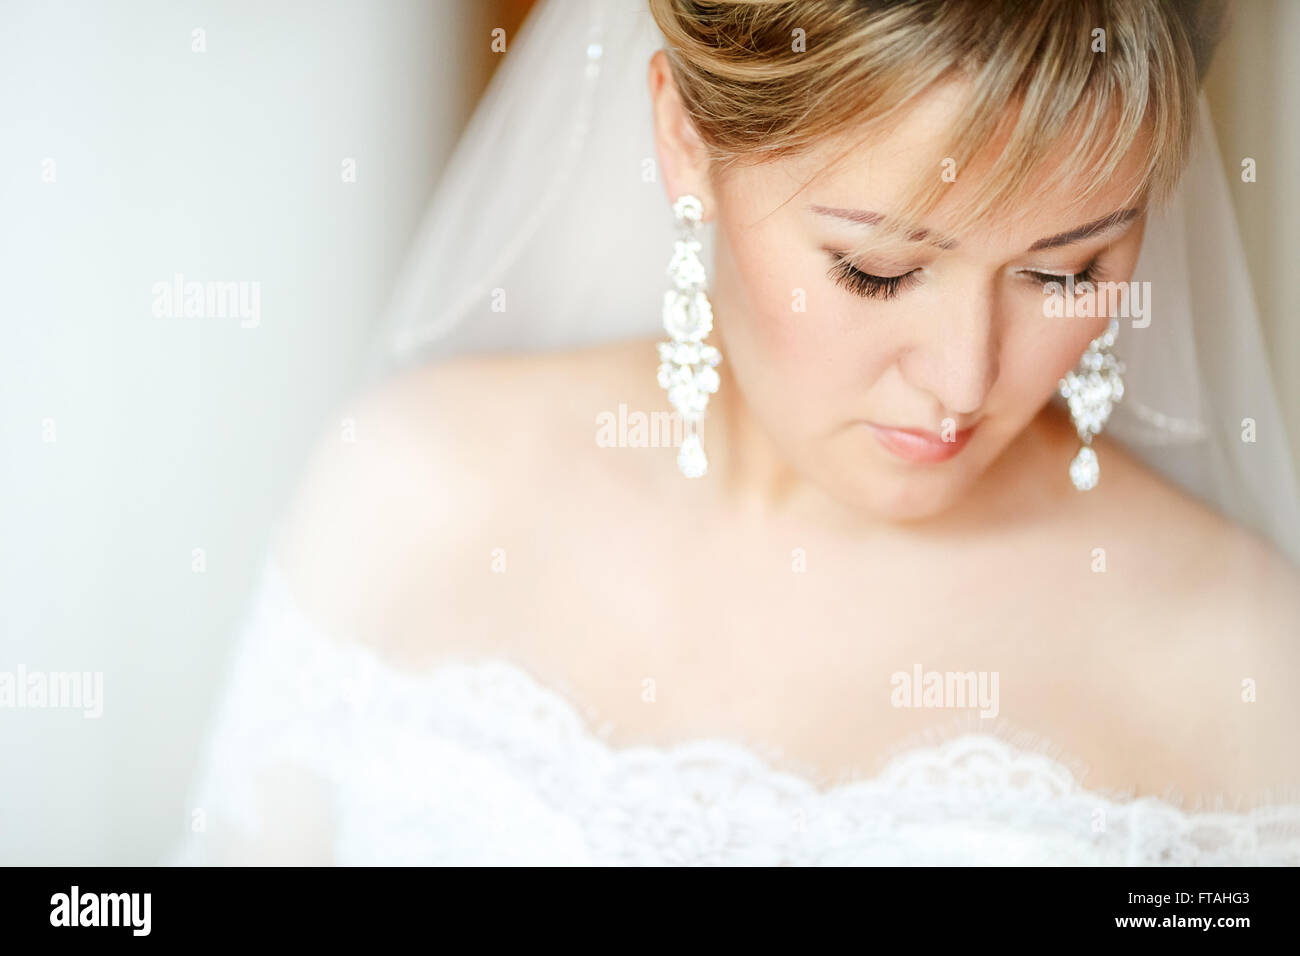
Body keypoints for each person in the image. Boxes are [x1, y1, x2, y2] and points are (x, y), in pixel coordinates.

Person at [176, 0, 1300, 865]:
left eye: (1067, 270)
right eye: (878, 269)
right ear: (683, 136)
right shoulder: (420, 482)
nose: (963, 377)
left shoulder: (1232, 656)